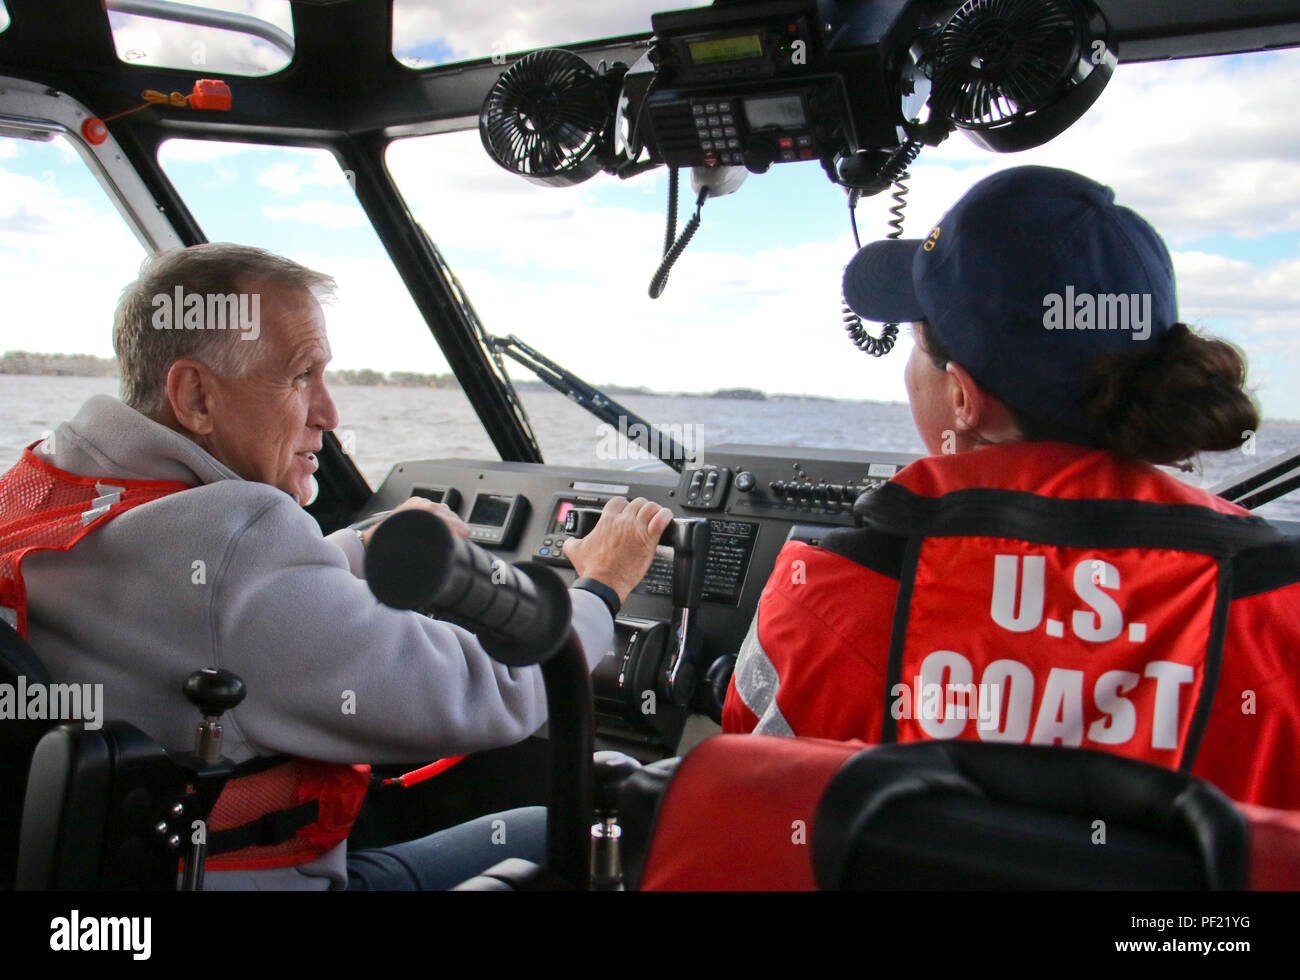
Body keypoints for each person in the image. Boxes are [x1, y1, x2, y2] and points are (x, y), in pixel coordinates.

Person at [2, 243, 672, 889]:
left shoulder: (44, 486)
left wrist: (356, 550)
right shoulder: (236, 541)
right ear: (197, 397)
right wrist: (601, 585)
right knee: (600, 823)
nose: (330, 412)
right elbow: (500, 690)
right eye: (300, 375)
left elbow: (218, 606)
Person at [723, 166, 1300, 810]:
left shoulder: (824, 597)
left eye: (916, 344)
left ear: (964, 396)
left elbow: (760, 812)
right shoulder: (1279, 613)